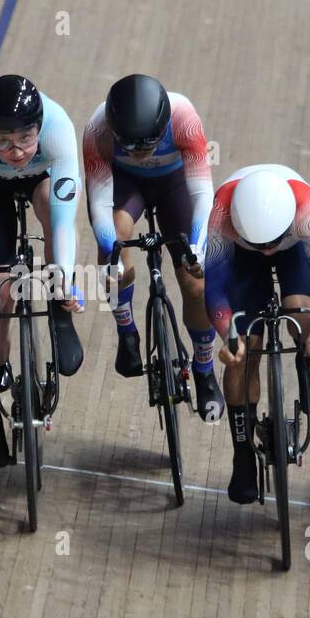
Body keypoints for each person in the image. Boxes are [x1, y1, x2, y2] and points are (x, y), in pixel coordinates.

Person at [0, 74, 83, 467]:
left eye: (26, 140)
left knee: (49, 202)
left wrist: (63, 278)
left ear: (39, 128)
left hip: (40, 184)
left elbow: (64, 222)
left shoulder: (59, 130)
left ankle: (60, 315)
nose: (15, 152)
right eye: (4, 142)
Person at [83, 74, 223, 419]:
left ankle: (204, 370)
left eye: (147, 145)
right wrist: (110, 249)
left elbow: (203, 193)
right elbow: (99, 203)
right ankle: (127, 331)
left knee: (196, 282)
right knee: (113, 242)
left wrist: (198, 248)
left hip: (174, 184)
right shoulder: (97, 128)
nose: (140, 153)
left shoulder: (183, 116)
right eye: (130, 146)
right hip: (125, 184)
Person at [207, 165, 310, 504]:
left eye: (273, 241)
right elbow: (213, 291)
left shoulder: (307, 211)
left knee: (301, 308)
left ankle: (307, 360)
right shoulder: (221, 214)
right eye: (262, 244)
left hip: (295, 245)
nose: (268, 249)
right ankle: (242, 453)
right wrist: (229, 335)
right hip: (242, 253)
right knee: (244, 352)